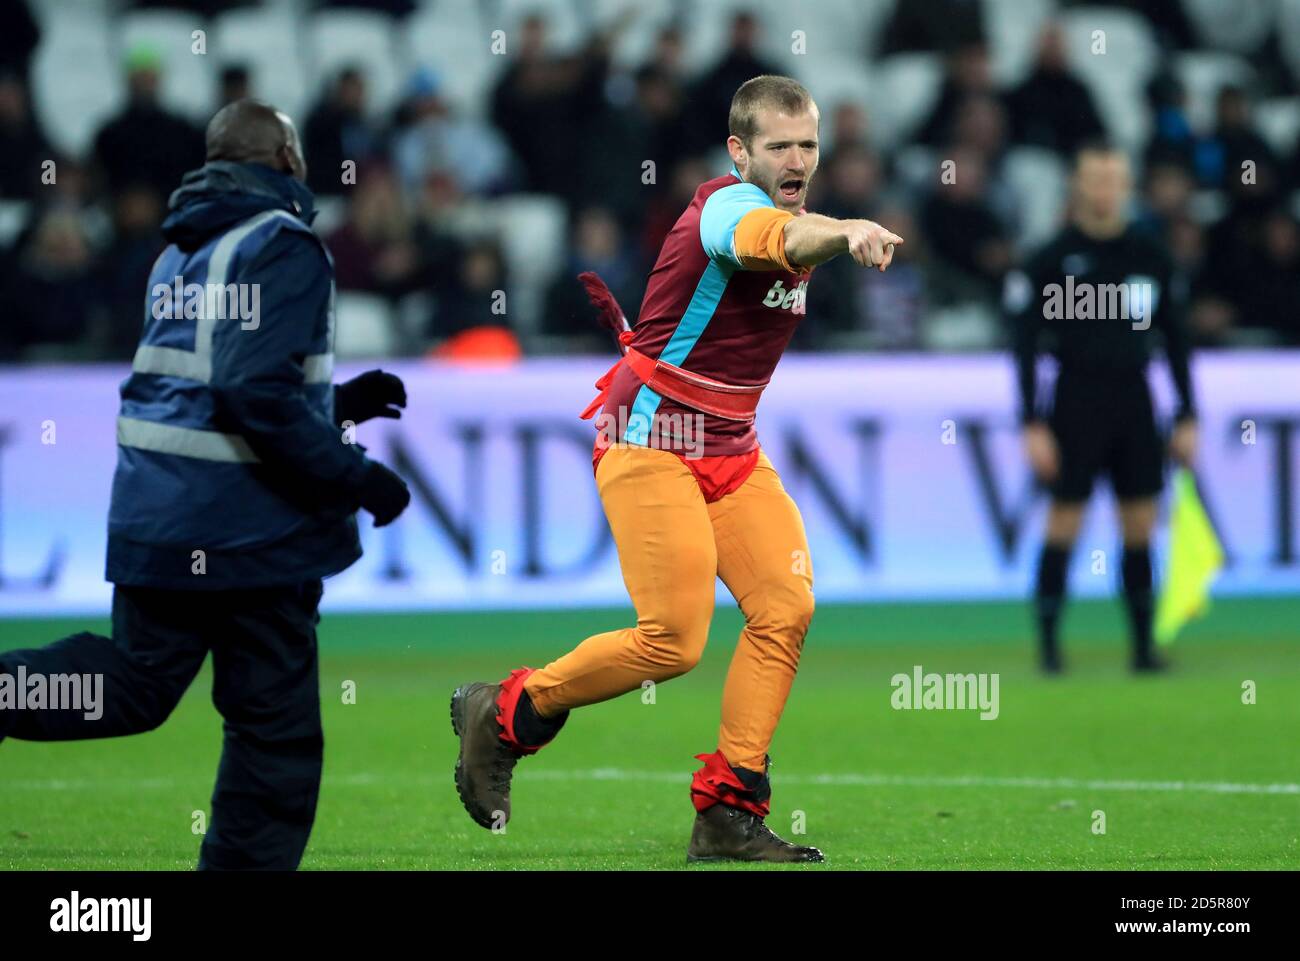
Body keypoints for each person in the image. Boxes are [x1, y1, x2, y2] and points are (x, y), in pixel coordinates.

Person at [450, 75, 904, 863]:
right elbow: (776, 241)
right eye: (780, 146)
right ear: (739, 152)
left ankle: (729, 808)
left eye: (809, 145)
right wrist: (846, 230)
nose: (798, 159)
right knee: (674, 641)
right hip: (650, 437)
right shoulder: (726, 206)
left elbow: (789, 238)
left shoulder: (795, 213)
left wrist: (831, 228)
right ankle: (508, 710)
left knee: (785, 605)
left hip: (729, 445)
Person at [0, 99, 412, 870]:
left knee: (130, 684)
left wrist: (339, 403)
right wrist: (358, 477)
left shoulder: (180, 249)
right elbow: (250, 393)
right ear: (288, 160)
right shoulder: (281, 243)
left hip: (159, 513)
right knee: (272, 733)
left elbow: (209, 383)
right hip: (247, 529)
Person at [1006, 140, 1197, 675]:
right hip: (1073, 400)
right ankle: (1049, 651)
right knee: (1064, 520)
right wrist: (1031, 421)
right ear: (1079, 185)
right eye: (1095, 178)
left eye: (1114, 179)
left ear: (1126, 186)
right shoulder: (1050, 258)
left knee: (1139, 523)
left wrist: (1187, 412)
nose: (1105, 189)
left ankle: (1142, 650)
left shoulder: (1150, 256)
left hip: (1135, 399)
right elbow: (1023, 347)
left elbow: (1176, 340)